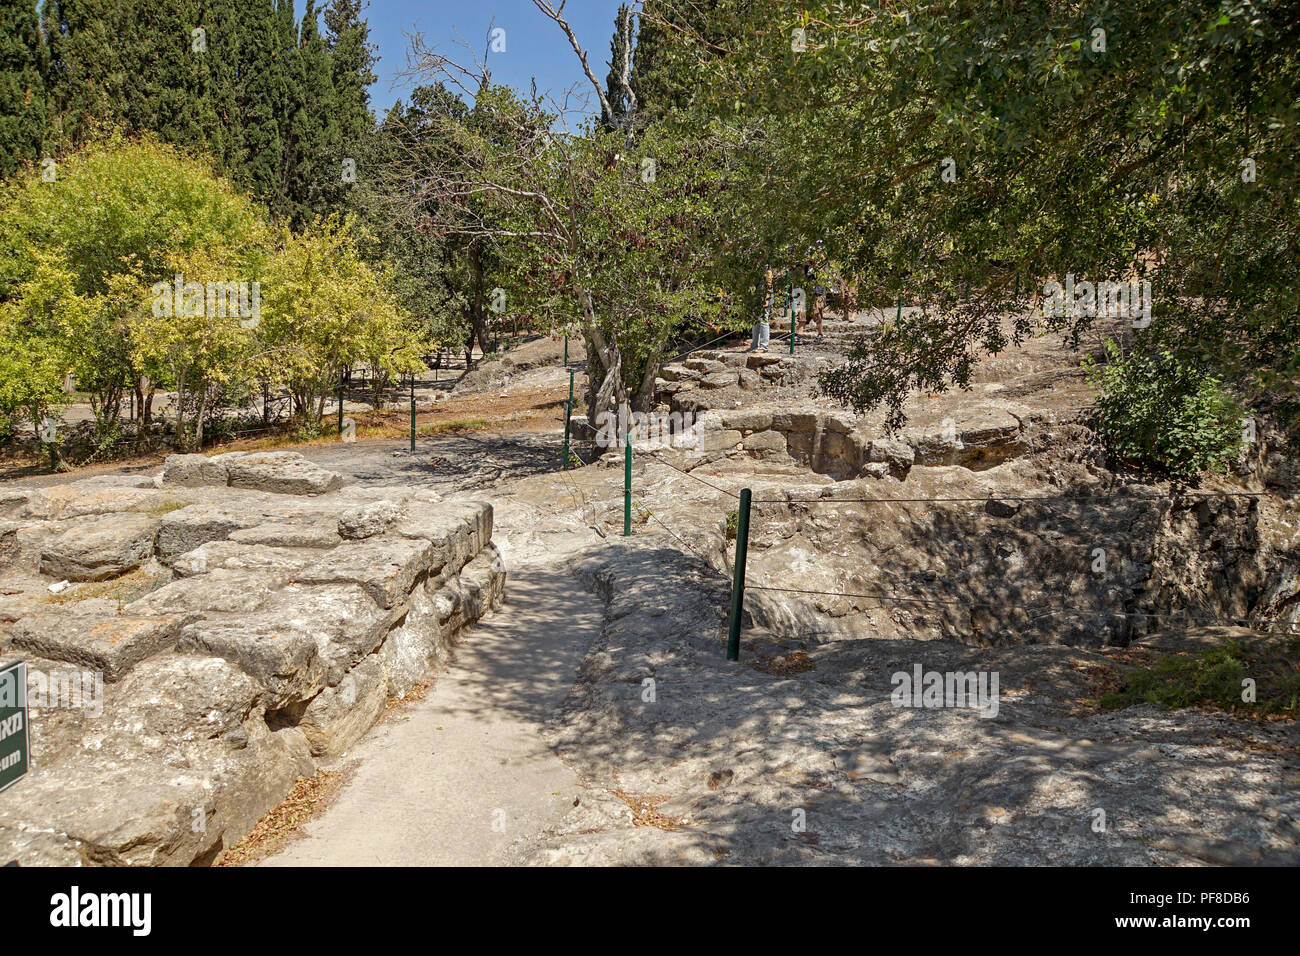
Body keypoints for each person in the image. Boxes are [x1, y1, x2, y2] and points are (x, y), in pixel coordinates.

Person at [750, 264, 773, 352]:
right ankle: (754, 345)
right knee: (755, 322)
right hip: (756, 298)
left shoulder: (767, 269)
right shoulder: (755, 269)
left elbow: (769, 284)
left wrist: (766, 299)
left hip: (764, 298)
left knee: (763, 321)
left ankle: (764, 346)